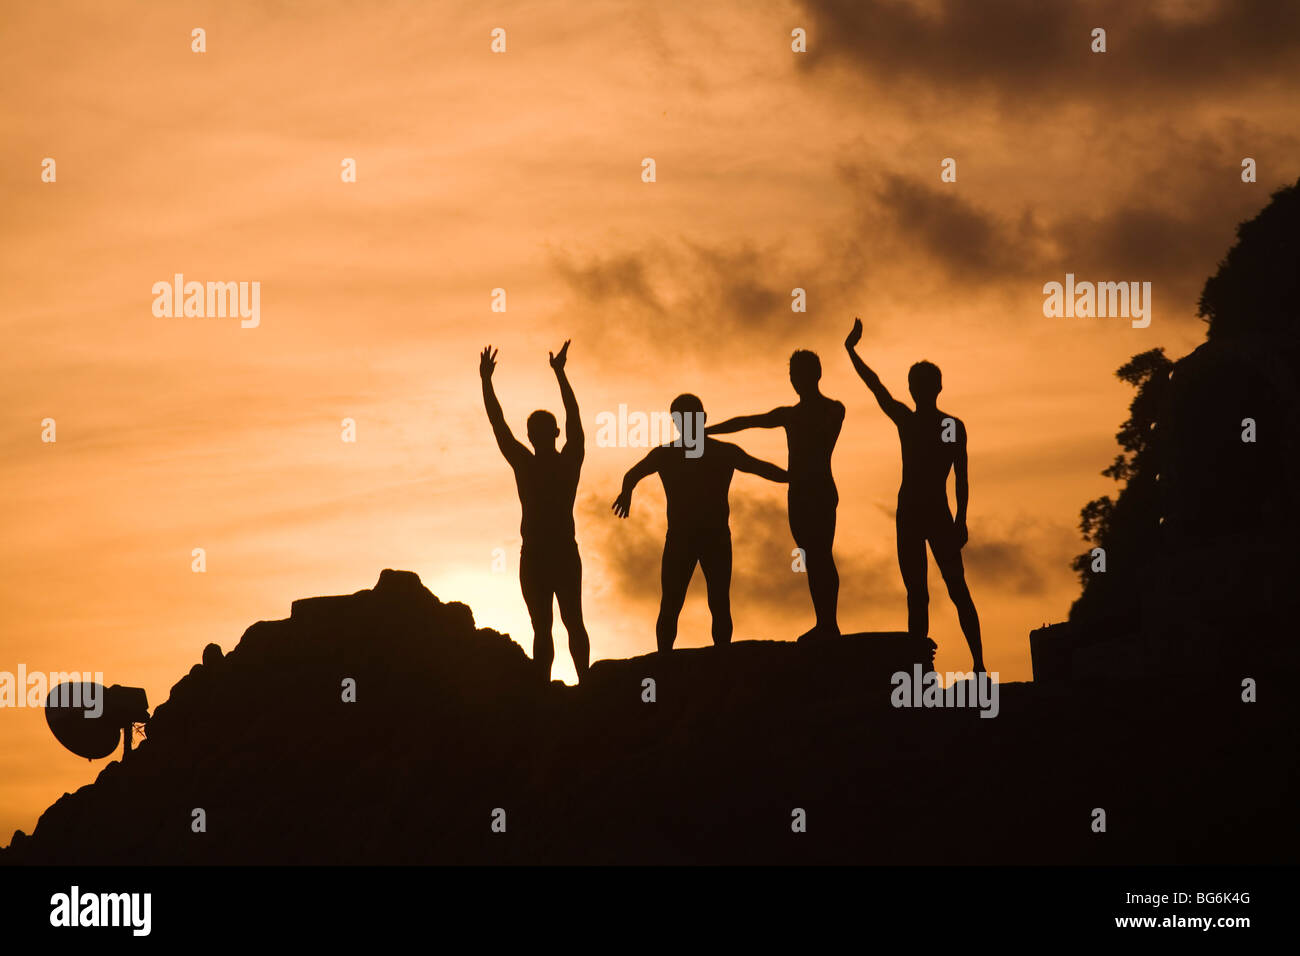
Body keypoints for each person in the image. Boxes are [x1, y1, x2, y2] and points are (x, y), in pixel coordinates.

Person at [844, 318, 985, 671]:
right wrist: (851, 352)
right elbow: (876, 386)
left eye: (919, 384)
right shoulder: (919, 422)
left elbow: (962, 477)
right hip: (919, 513)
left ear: (931, 388)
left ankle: (977, 665)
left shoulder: (932, 424)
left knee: (947, 591)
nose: (916, 390)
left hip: (927, 513)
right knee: (926, 593)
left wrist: (961, 519)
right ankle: (925, 671)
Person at [612, 394, 787, 651]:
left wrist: (793, 477)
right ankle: (670, 659)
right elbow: (632, 475)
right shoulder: (674, 453)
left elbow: (759, 467)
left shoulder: (715, 452)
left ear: (702, 420)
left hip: (709, 537)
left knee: (711, 602)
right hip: (687, 537)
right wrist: (626, 493)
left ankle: (715, 657)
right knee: (677, 603)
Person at [707, 350, 845, 640]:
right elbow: (747, 421)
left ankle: (829, 624)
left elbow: (820, 428)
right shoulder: (790, 415)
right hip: (798, 491)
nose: (797, 380)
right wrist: (706, 430)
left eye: (801, 374)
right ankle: (824, 623)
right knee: (810, 556)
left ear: (816, 374)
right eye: (793, 375)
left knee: (821, 555)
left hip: (819, 489)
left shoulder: (833, 409)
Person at [480, 341, 590, 682]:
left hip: (546, 553)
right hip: (550, 553)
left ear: (532, 435)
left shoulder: (530, 463)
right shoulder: (563, 461)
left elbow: (499, 425)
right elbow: (573, 421)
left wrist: (486, 381)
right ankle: (574, 683)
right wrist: (560, 374)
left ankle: (560, 685)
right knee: (563, 623)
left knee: (550, 626)